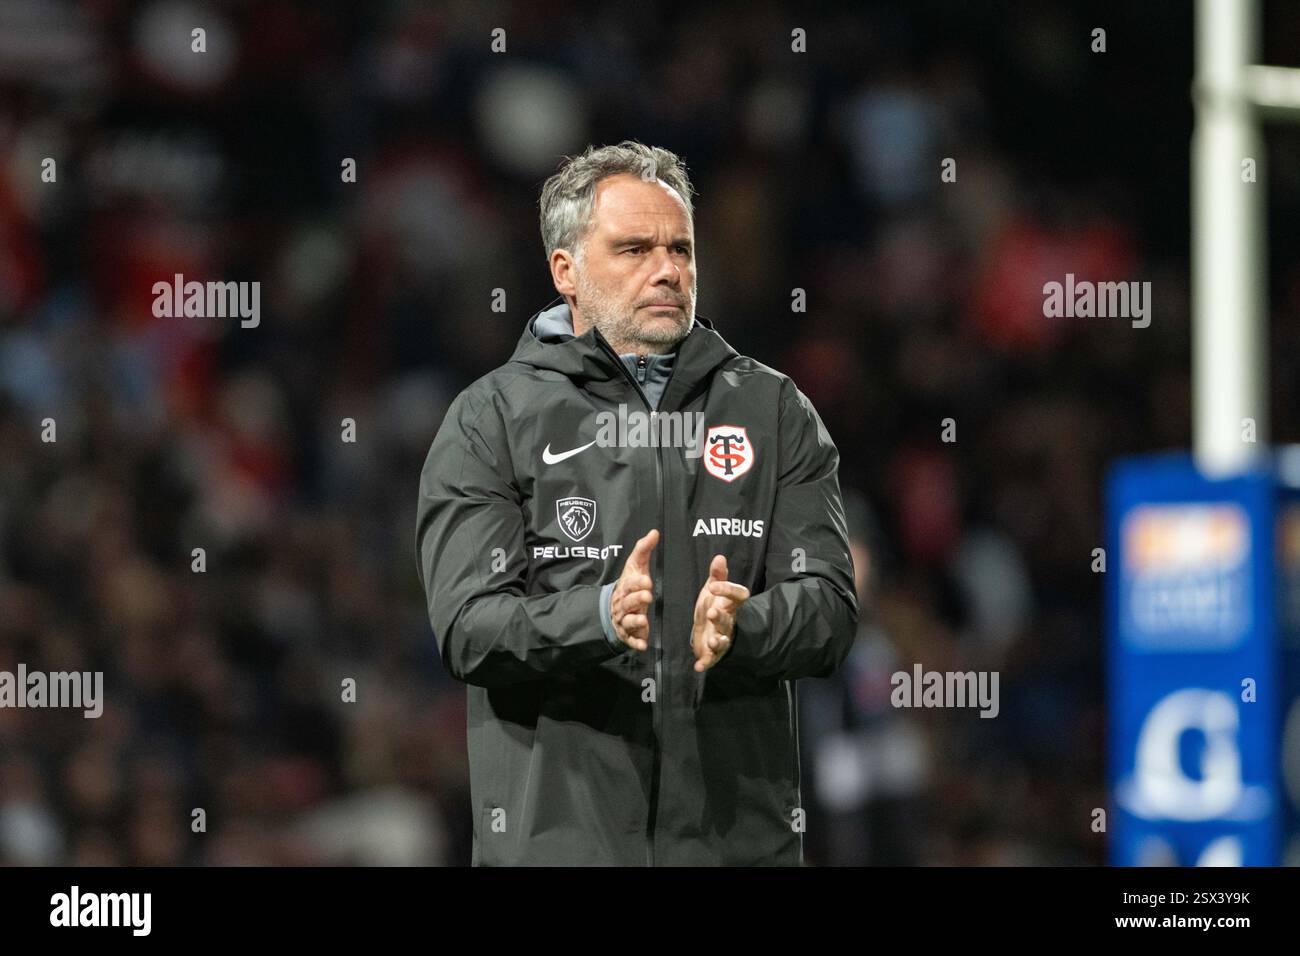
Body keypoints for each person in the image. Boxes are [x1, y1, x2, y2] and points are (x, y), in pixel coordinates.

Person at [416, 140, 858, 865]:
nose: (668, 270)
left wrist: (744, 627)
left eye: (680, 249)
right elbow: (467, 628)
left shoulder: (774, 410)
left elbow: (832, 610)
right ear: (567, 271)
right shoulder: (490, 418)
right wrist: (593, 618)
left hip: (737, 849)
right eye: (634, 249)